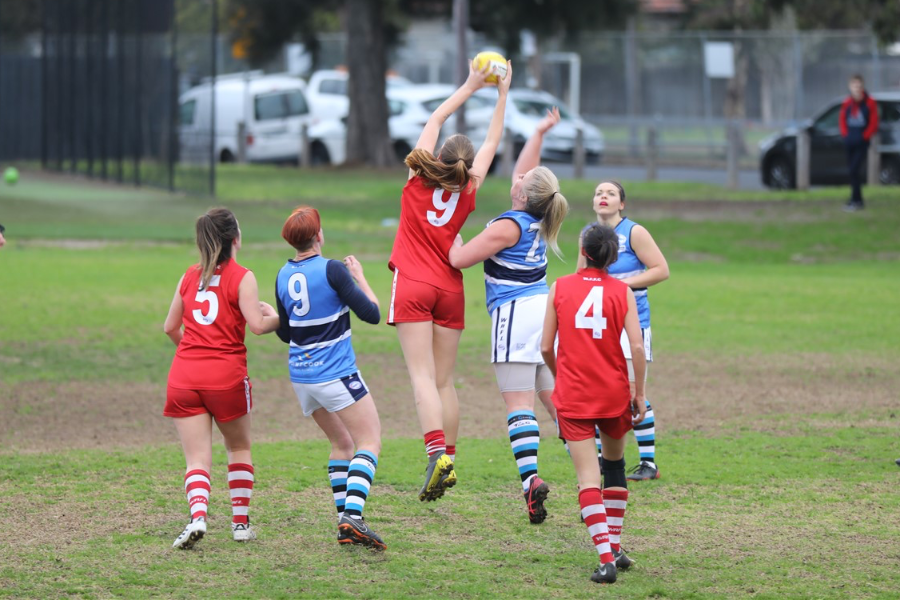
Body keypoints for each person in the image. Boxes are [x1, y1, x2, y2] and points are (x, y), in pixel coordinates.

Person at [388, 59, 511, 502]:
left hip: (414, 283)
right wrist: (502, 95)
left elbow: (436, 118)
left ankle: (436, 454)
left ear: (438, 157)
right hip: (450, 288)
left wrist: (471, 84)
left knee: (420, 376)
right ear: (468, 165)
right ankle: (450, 460)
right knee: (444, 381)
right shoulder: (470, 188)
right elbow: (493, 140)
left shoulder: (417, 177)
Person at [448, 107, 568, 524]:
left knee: (518, 404)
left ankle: (530, 481)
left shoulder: (507, 226)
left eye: (522, 178)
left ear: (522, 195)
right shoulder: (537, 216)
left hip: (515, 315)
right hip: (545, 312)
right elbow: (526, 171)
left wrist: (448, 229)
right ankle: (597, 469)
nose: (517, 175)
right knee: (556, 401)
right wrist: (539, 133)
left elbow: (459, 259)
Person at [162, 208, 280, 549]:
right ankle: (240, 525)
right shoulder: (243, 276)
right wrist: (279, 317)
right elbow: (257, 326)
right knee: (238, 447)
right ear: (235, 239)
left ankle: (198, 517)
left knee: (196, 459)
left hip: (184, 376)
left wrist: (193, 353)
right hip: (226, 376)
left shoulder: (188, 276)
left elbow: (170, 327)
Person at [274, 206, 386, 550]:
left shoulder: (282, 274)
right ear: (319, 236)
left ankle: (345, 524)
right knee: (370, 441)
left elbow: (286, 333)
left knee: (341, 444)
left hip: (301, 378)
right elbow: (372, 313)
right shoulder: (333, 269)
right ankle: (353, 515)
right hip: (335, 374)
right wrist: (360, 276)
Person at [541, 223, 647, 585]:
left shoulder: (559, 287)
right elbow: (636, 347)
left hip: (575, 395)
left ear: (583, 251)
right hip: (613, 392)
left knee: (588, 478)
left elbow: (545, 347)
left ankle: (606, 560)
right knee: (615, 467)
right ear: (612, 257)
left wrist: (562, 376)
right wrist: (639, 392)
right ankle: (614, 547)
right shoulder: (623, 291)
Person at [577, 180, 669, 481]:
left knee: (630, 391)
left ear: (622, 203)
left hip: (633, 321)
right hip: (598, 324)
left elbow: (661, 270)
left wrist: (619, 286)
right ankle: (604, 460)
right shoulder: (588, 235)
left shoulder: (634, 232)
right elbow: (581, 276)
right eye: (598, 193)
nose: (603, 196)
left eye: (611, 193)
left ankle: (648, 463)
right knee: (598, 390)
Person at [839, 74, 879, 212]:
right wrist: (846, 135)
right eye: (854, 85)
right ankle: (856, 199)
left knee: (854, 170)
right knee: (852, 171)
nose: (857, 88)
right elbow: (842, 120)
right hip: (850, 142)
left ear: (862, 86)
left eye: (859, 85)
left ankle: (856, 201)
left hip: (861, 143)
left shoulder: (870, 102)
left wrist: (864, 136)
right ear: (850, 87)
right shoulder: (847, 103)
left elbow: (874, 123)